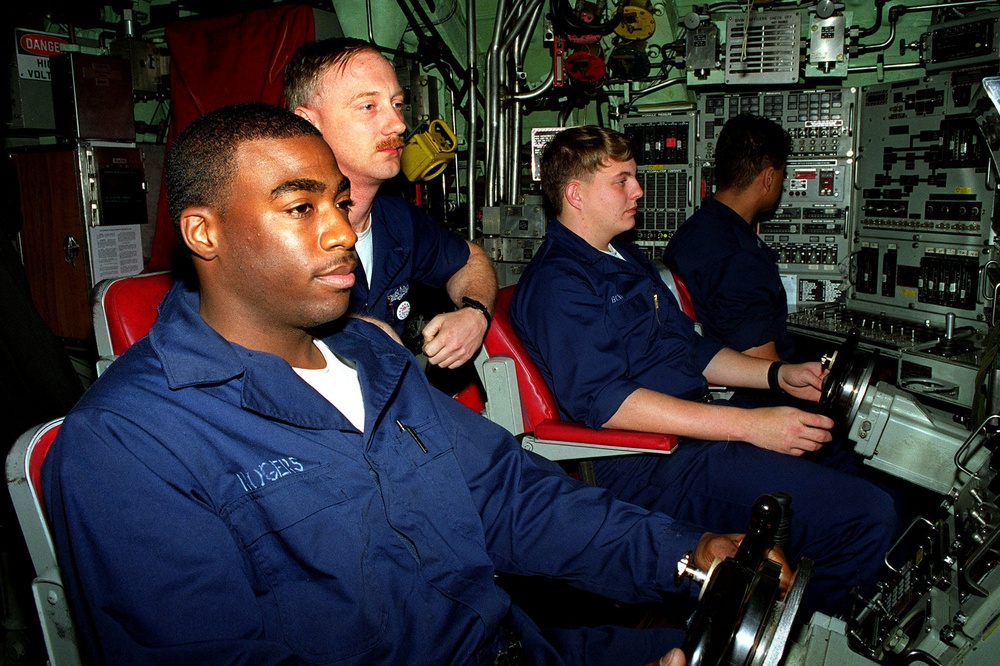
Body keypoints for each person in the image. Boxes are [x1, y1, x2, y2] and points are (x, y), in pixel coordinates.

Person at [42, 103, 770, 665]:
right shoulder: (127, 442)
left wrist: (688, 556)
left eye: (339, 202)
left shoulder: (368, 355)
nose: (340, 232)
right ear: (205, 233)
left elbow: (512, 499)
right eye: (301, 207)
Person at [510, 125, 900, 619]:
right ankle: (802, 640)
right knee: (866, 516)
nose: (638, 190)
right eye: (622, 180)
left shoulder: (624, 258)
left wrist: (778, 375)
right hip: (648, 463)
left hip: (693, 437)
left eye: (635, 177)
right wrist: (750, 425)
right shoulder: (559, 285)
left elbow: (692, 350)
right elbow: (608, 403)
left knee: (851, 462)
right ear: (575, 194)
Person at [284, 38, 497, 369]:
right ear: (309, 123)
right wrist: (353, 332)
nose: (398, 124)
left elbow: (469, 260)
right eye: (368, 106)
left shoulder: (395, 218)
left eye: (397, 104)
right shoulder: (274, 231)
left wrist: (474, 313)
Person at [664, 114, 793, 362]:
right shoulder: (739, 259)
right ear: (768, 178)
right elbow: (763, 366)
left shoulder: (695, 229)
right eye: (782, 175)